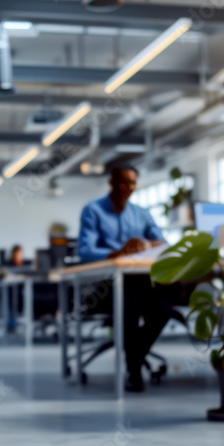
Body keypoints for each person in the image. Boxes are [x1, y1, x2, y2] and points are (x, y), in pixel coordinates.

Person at [78, 165, 178, 392]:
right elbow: (85, 251)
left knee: (163, 310)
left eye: (132, 183)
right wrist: (117, 253)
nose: (128, 187)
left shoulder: (142, 213)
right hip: (107, 283)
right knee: (128, 307)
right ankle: (134, 370)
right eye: (123, 182)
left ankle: (134, 357)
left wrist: (147, 244)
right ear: (111, 182)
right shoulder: (93, 211)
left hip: (140, 280)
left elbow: (162, 241)